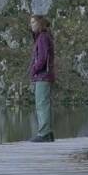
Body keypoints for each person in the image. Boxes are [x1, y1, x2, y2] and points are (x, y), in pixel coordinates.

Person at [28, 14, 55, 142]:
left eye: (33, 22)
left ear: (39, 23)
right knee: (44, 104)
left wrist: (34, 69)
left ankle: (44, 133)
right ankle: (48, 133)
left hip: (43, 75)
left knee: (41, 104)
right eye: (31, 22)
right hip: (44, 75)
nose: (31, 24)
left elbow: (42, 58)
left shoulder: (43, 37)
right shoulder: (43, 37)